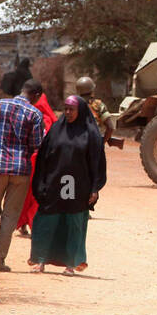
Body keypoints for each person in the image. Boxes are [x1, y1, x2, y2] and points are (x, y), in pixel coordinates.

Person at [29, 95, 107, 276]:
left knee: (73, 224)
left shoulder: (90, 134)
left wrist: (95, 188)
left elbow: (97, 163)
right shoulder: (56, 129)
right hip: (54, 184)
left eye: (72, 109)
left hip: (78, 187)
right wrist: (41, 183)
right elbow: (43, 158)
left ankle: (71, 264)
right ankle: (40, 261)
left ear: (80, 111)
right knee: (47, 221)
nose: (68, 113)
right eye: (66, 109)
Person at [0, 78, 45, 271]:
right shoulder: (35, 114)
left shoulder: (0, 105)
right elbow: (37, 145)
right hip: (21, 170)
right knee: (10, 215)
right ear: (36, 95)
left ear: (22, 90)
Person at [15, 90, 57, 237]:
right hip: (41, 161)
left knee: (27, 194)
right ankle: (34, 225)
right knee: (36, 195)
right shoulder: (48, 118)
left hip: (29, 159)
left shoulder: (28, 114)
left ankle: (25, 224)